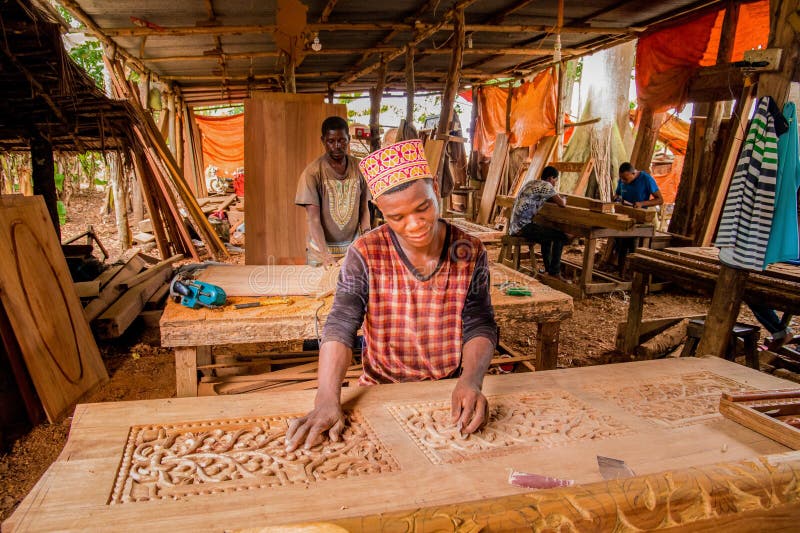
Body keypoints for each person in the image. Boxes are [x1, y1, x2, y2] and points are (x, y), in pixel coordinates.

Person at [286, 139, 498, 452]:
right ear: (379, 210)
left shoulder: (468, 251)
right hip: (382, 388)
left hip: (448, 388)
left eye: (423, 207)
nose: (414, 225)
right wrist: (327, 399)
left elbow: (479, 321)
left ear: (435, 188)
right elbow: (342, 323)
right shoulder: (366, 253)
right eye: (397, 217)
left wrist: (471, 380)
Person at [296, 116, 371, 267]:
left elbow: (364, 210)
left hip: (352, 249)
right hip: (321, 252)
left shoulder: (360, 168)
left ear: (348, 139)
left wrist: (368, 239)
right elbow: (313, 219)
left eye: (342, 140)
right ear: (323, 140)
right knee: (321, 288)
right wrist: (326, 256)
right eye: (331, 141)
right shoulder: (312, 173)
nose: (337, 146)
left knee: (354, 289)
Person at [507, 165, 569, 281]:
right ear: (551, 178)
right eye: (555, 180)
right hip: (523, 226)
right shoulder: (547, 185)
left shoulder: (531, 183)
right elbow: (562, 204)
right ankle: (554, 272)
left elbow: (542, 197)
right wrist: (564, 199)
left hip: (515, 226)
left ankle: (548, 269)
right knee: (560, 236)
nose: (555, 184)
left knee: (546, 237)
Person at [612, 162, 664, 273]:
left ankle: (632, 274)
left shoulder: (646, 179)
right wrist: (616, 198)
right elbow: (617, 194)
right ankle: (621, 272)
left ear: (633, 173)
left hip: (638, 219)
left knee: (632, 246)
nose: (623, 181)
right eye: (621, 179)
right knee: (621, 245)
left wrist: (642, 204)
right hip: (623, 217)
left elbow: (660, 200)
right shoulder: (622, 179)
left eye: (626, 179)